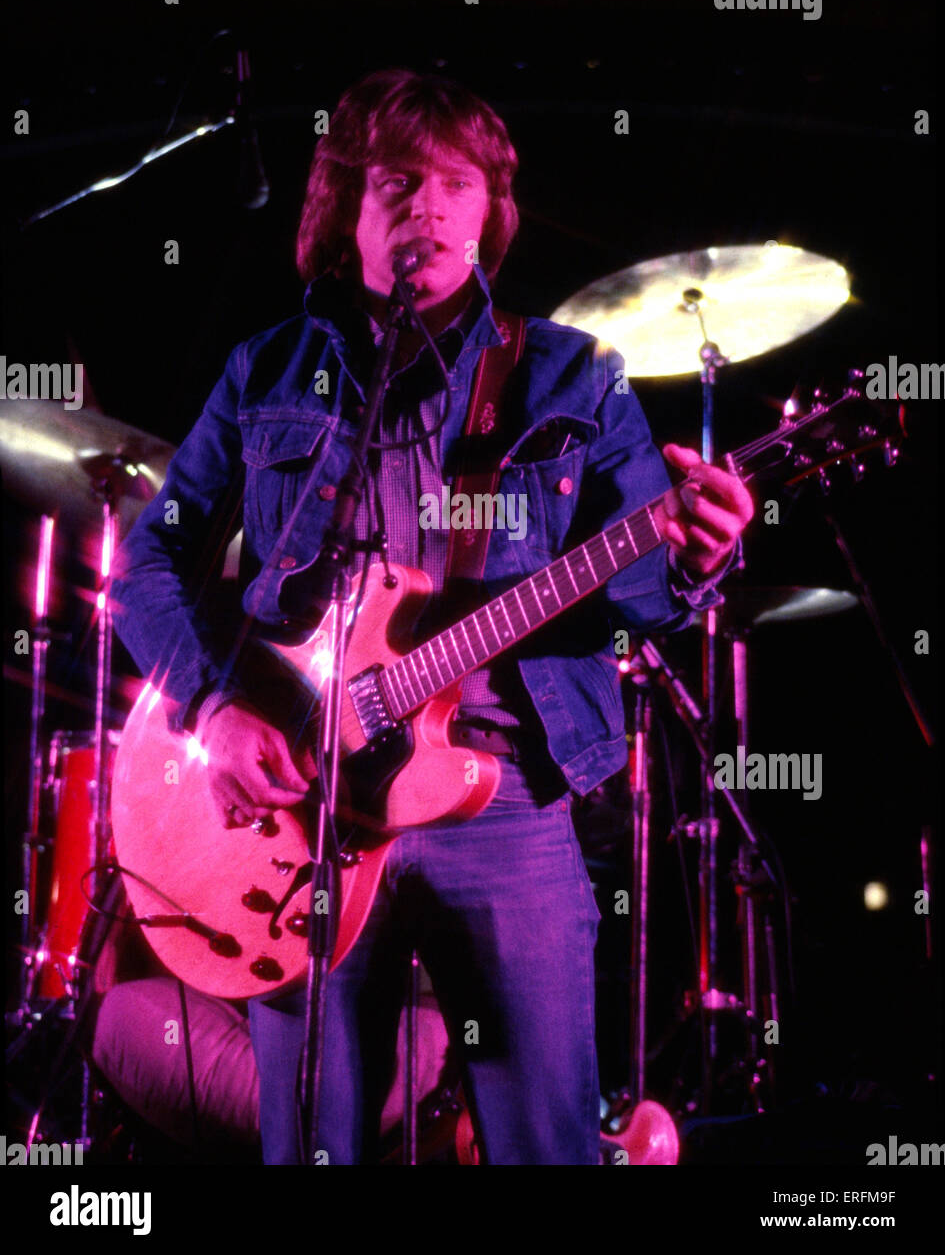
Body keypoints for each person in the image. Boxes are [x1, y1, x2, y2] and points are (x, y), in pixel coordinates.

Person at [112, 68, 753, 1165]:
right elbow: (146, 563)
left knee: (543, 1142)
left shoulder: (573, 378)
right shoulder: (266, 369)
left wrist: (698, 555)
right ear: (344, 210)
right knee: (312, 1143)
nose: (432, 206)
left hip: (503, 794)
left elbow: (635, 595)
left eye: (460, 183)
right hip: (301, 813)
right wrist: (216, 709)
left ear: (490, 215)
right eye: (399, 182)